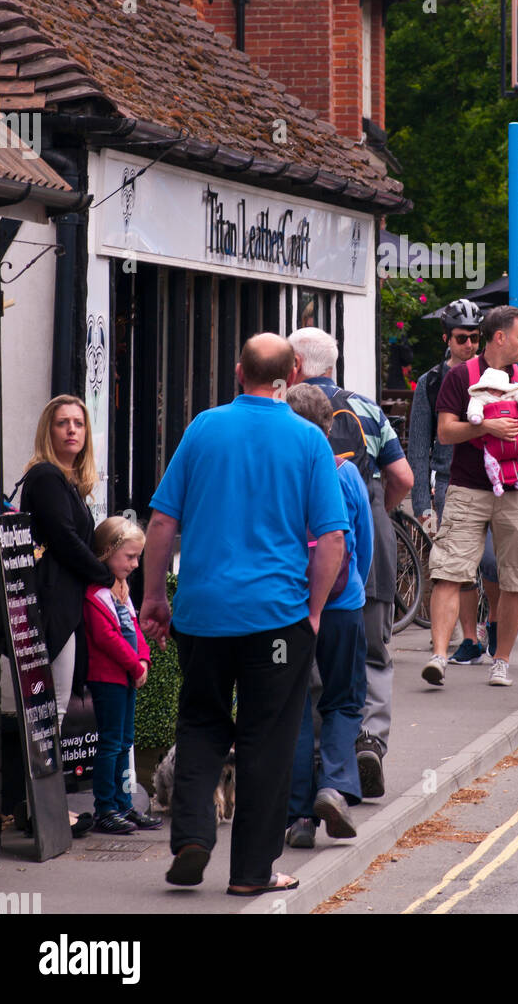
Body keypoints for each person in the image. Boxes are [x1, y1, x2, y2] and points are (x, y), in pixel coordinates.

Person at [140, 334, 349, 896]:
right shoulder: (308, 440)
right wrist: (312, 612)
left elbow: (161, 522)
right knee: (267, 740)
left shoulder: (203, 428)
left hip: (203, 614)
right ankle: (251, 873)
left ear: (239, 372)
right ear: (293, 375)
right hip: (276, 619)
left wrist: (154, 596)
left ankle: (191, 836)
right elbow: (332, 539)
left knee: (202, 721)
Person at [287, 327, 413, 800]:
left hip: (303, 554)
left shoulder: (285, 410)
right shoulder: (367, 408)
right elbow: (402, 475)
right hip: (365, 538)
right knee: (373, 650)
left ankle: (318, 762)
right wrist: (381, 507)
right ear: (332, 364)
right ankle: (368, 744)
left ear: (295, 364)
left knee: (312, 667)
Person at [424, 305, 518, 690]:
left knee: (517, 577)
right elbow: (445, 433)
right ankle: (439, 656)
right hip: (467, 488)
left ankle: (501, 662)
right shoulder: (460, 377)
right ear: (501, 337)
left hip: (517, 490)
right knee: (448, 571)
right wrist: (485, 425)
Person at [284, 385, 374, 849]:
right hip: (341, 607)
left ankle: (298, 817)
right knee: (343, 700)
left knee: (295, 707)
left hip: (290, 609)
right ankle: (334, 786)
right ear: (330, 424)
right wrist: (348, 589)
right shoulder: (347, 474)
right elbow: (363, 544)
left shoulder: (280, 472)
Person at [19, 395, 112, 837]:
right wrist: (107, 575)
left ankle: (43, 807)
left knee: (51, 709)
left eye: (78, 423)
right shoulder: (45, 477)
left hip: (65, 604)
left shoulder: (68, 482)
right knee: (49, 710)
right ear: (48, 431)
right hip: (52, 606)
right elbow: (65, 541)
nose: (72, 430)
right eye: (62, 423)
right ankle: (45, 810)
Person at [407, 300, 501, 665]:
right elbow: (418, 448)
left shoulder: (497, 375)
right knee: (457, 569)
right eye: (462, 338)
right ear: (446, 338)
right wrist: (421, 505)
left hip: (495, 481)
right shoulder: (430, 383)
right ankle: (468, 639)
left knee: (492, 564)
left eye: (475, 338)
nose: (470, 345)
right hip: (449, 483)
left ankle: (492, 624)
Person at [83, 517, 161, 835]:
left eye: (138, 557)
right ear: (106, 552)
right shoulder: (96, 594)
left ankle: (123, 803)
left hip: (126, 677)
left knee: (125, 742)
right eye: (129, 556)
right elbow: (107, 637)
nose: (135, 563)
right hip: (108, 678)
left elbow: (135, 630)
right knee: (112, 743)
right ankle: (106, 808)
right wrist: (135, 664)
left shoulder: (121, 592)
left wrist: (143, 660)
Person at [467, 367, 518, 493]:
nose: (492, 391)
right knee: (490, 463)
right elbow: (474, 407)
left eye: (496, 388)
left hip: (516, 443)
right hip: (493, 445)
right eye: (489, 388)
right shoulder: (481, 398)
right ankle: (496, 483)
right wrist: (475, 416)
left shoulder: (512, 396)